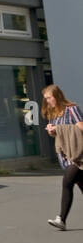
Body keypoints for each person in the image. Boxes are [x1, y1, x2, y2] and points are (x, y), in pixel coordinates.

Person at [43, 85, 83, 230]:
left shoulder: (72, 109)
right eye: (45, 99)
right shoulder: (55, 113)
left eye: (49, 97)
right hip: (66, 156)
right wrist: (52, 131)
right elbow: (58, 134)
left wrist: (59, 128)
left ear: (57, 96)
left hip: (78, 156)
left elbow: (81, 126)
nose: (47, 101)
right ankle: (62, 220)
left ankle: (61, 219)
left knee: (67, 182)